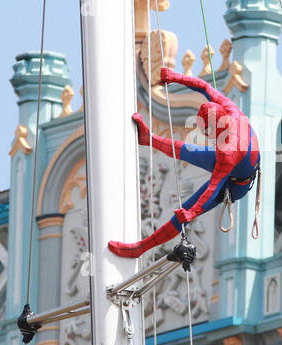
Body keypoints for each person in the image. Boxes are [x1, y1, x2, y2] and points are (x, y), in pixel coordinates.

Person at [108, 67, 259, 258]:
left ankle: (140, 248)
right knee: (188, 150)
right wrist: (175, 77)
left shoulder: (227, 152)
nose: (206, 136)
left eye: (207, 132)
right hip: (240, 161)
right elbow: (204, 86)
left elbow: (212, 188)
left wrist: (192, 213)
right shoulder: (230, 109)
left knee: (184, 210)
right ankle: (148, 139)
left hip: (236, 184)